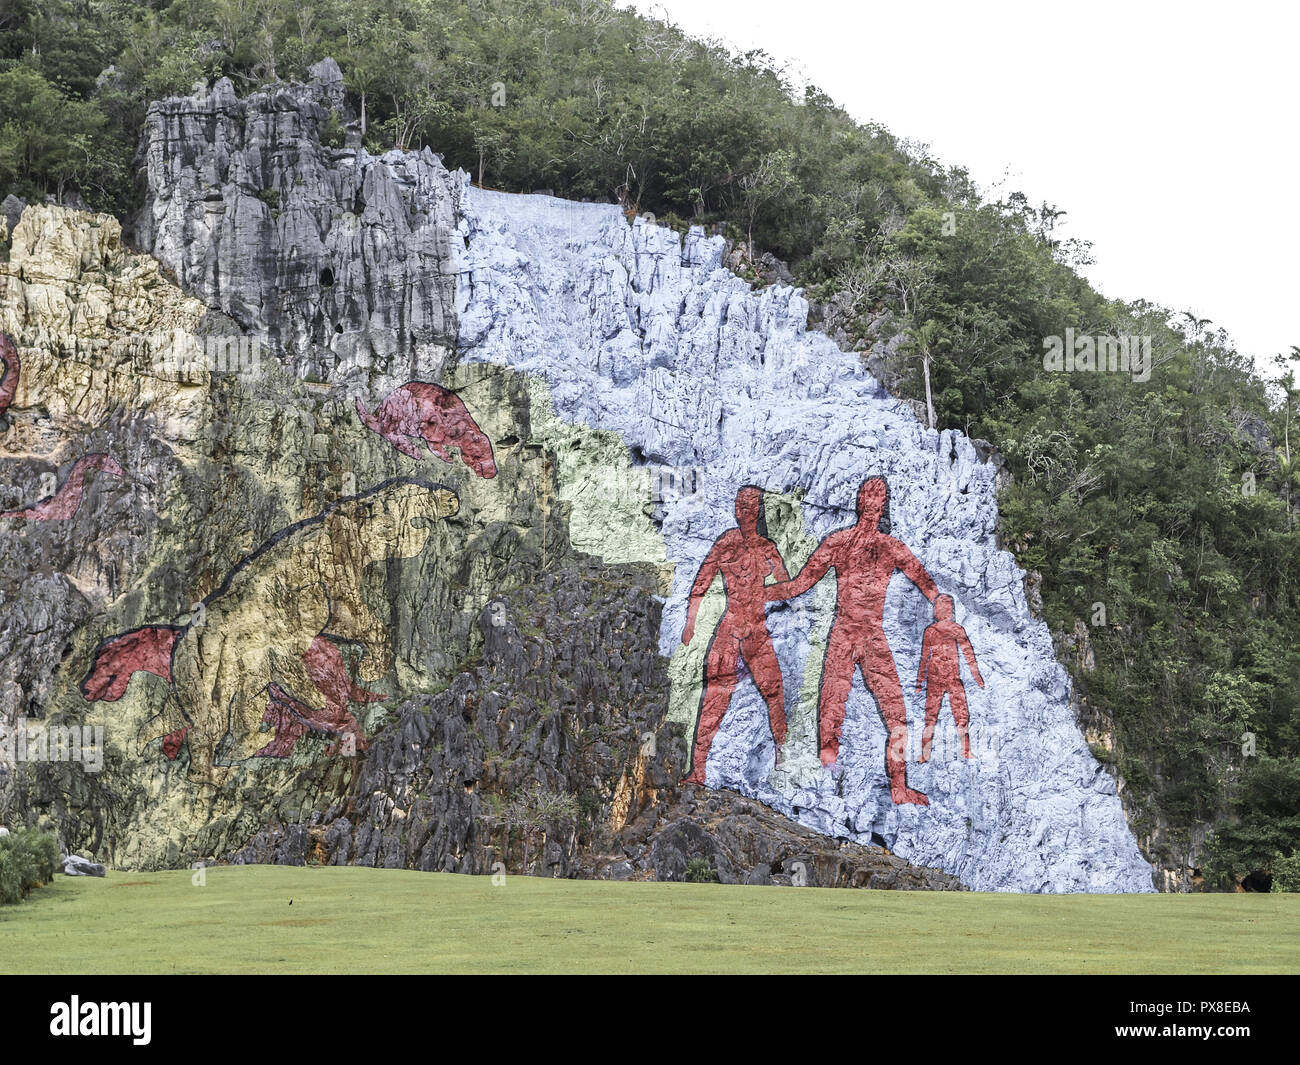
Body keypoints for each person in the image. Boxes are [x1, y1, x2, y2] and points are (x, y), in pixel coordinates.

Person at [765, 477, 937, 804]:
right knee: (832, 703)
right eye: (868, 495)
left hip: (871, 634)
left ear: (883, 504)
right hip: (846, 631)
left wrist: (939, 601)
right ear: (859, 501)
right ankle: (828, 772)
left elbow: (923, 580)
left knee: (896, 715)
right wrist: (763, 594)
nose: (872, 502)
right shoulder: (841, 543)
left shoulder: (890, 548)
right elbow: (800, 583)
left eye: (878, 496)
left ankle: (898, 787)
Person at [682, 486, 790, 786]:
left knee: (774, 692)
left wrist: (764, 593)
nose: (744, 510)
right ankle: (699, 769)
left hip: (756, 629)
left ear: (758, 511)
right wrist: (690, 622)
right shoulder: (727, 543)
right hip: (729, 628)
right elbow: (702, 580)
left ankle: (783, 756)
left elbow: (786, 586)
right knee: (715, 695)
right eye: (740, 504)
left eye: (750, 505)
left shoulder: (767, 548)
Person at [916, 594, 983, 763]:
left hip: (951, 678)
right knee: (933, 717)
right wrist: (918, 682)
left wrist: (977, 677)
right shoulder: (933, 631)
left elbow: (968, 654)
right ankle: (926, 753)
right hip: (937, 679)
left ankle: (964, 751)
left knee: (959, 715)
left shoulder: (954, 630)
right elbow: (924, 658)